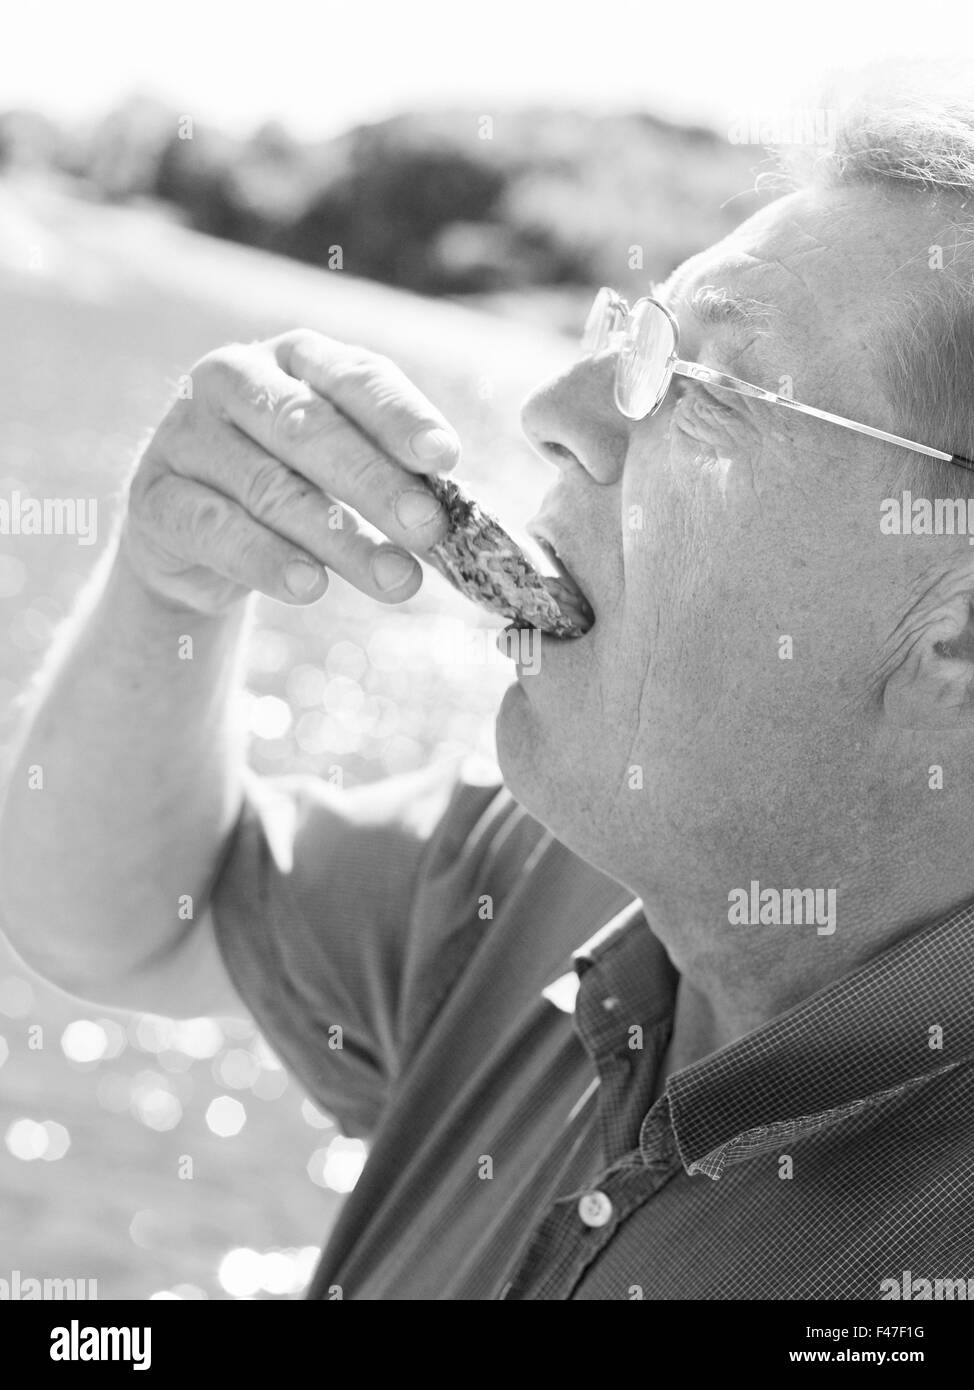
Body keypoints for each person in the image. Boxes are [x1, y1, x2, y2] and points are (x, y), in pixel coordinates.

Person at [3, 86, 974, 1300]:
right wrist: (169, 588)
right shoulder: (556, 875)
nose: (551, 410)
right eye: (633, 337)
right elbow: (136, 920)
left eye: (712, 384)